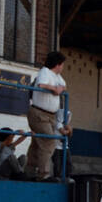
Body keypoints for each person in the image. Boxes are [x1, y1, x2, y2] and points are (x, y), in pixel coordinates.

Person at [27, 52, 67, 182]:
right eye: (62, 64)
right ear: (58, 64)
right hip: (39, 113)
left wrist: (58, 88)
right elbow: (41, 85)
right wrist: (54, 89)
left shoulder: (57, 76)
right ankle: (43, 174)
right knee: (49, 141)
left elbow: (63, 86)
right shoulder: (44, 72)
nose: (63, 67)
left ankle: (29, 171)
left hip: (50, 115)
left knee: (37, 143)